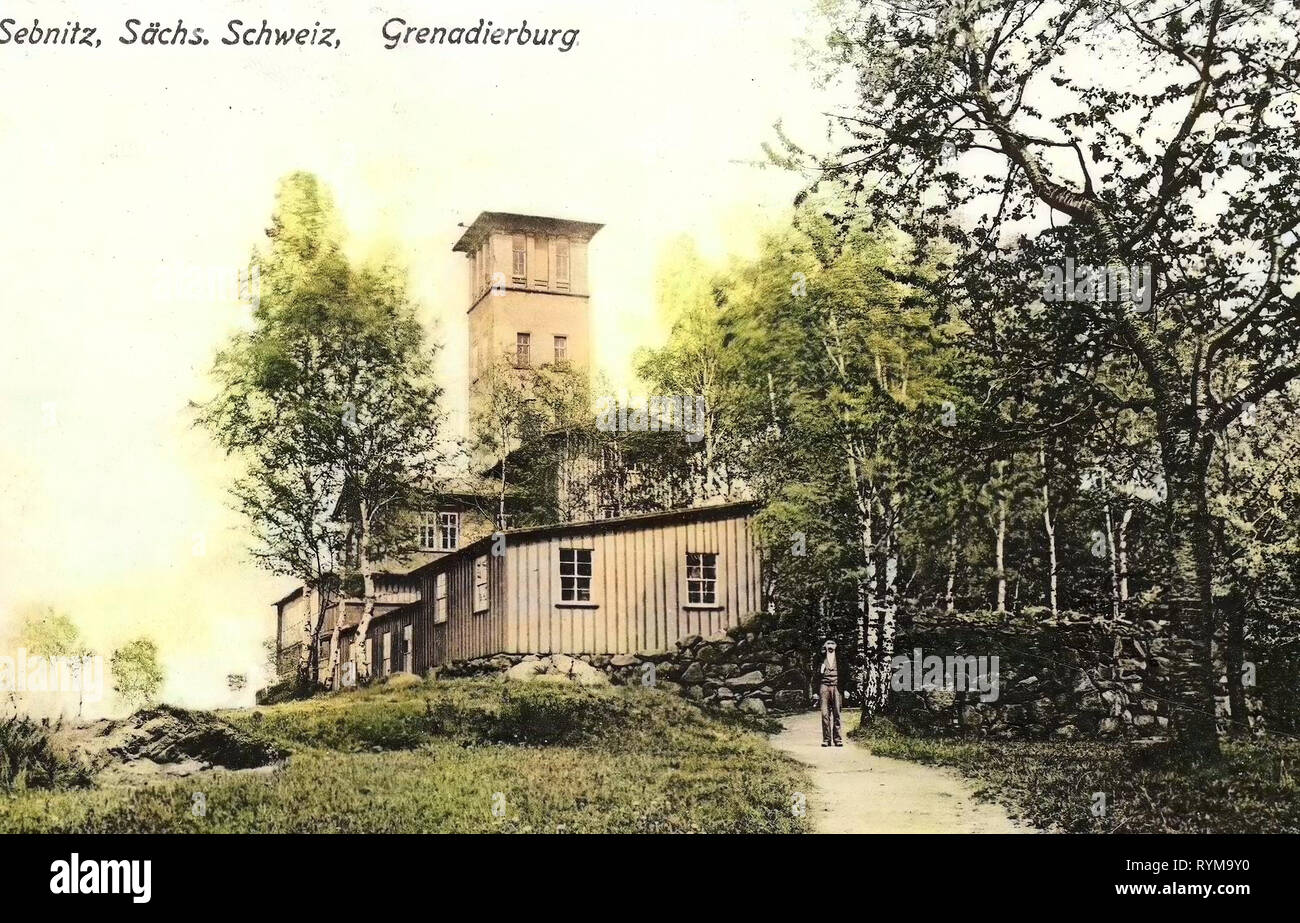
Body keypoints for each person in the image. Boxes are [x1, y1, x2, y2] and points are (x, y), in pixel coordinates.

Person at [813, 639, 843, 746]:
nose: (830, 646)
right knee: (825, 714)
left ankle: (838, 739)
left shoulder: (841, 658)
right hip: (824, 687)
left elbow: (846, 674)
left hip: (836, 687)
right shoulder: (819, 658)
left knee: (837, 713)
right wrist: (815, 691)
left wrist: (847, 689)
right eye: (828, 643)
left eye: (832, 643)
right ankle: (826, 740)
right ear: (825, 646)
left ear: (836, 646)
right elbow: (815, 676)